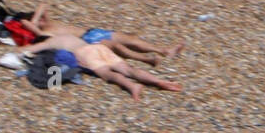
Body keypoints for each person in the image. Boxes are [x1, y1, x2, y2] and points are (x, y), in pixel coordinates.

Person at [18, 33, 182, 101]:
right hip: (98, 47)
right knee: (128, 69)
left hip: (85, 53)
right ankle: (158, 81)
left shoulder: (50, 42)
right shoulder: (66, 36)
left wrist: (22, 51)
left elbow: (28, 51)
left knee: (109, 74)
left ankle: (132, 86)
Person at [26, 4, 184, 66]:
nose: (41, 20)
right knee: (118, 47)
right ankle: (148, 59)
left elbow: (42, 5)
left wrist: (35, 17)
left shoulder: (49, 22)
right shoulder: (44, 33)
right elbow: (31, 26)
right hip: (85, 41)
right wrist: (32, 23)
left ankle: (163, 51)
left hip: (92, 32)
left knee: (131, 39)